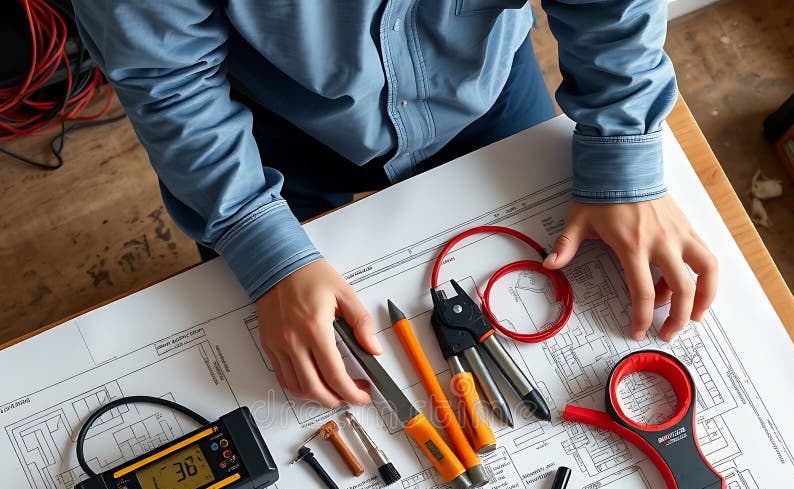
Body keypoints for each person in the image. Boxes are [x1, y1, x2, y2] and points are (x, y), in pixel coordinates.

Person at [72, 1, 717, 408]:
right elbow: (168, 80)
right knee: (269, 332)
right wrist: (258, 239)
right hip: (272, 125)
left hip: (482, 83)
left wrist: (622, 151)